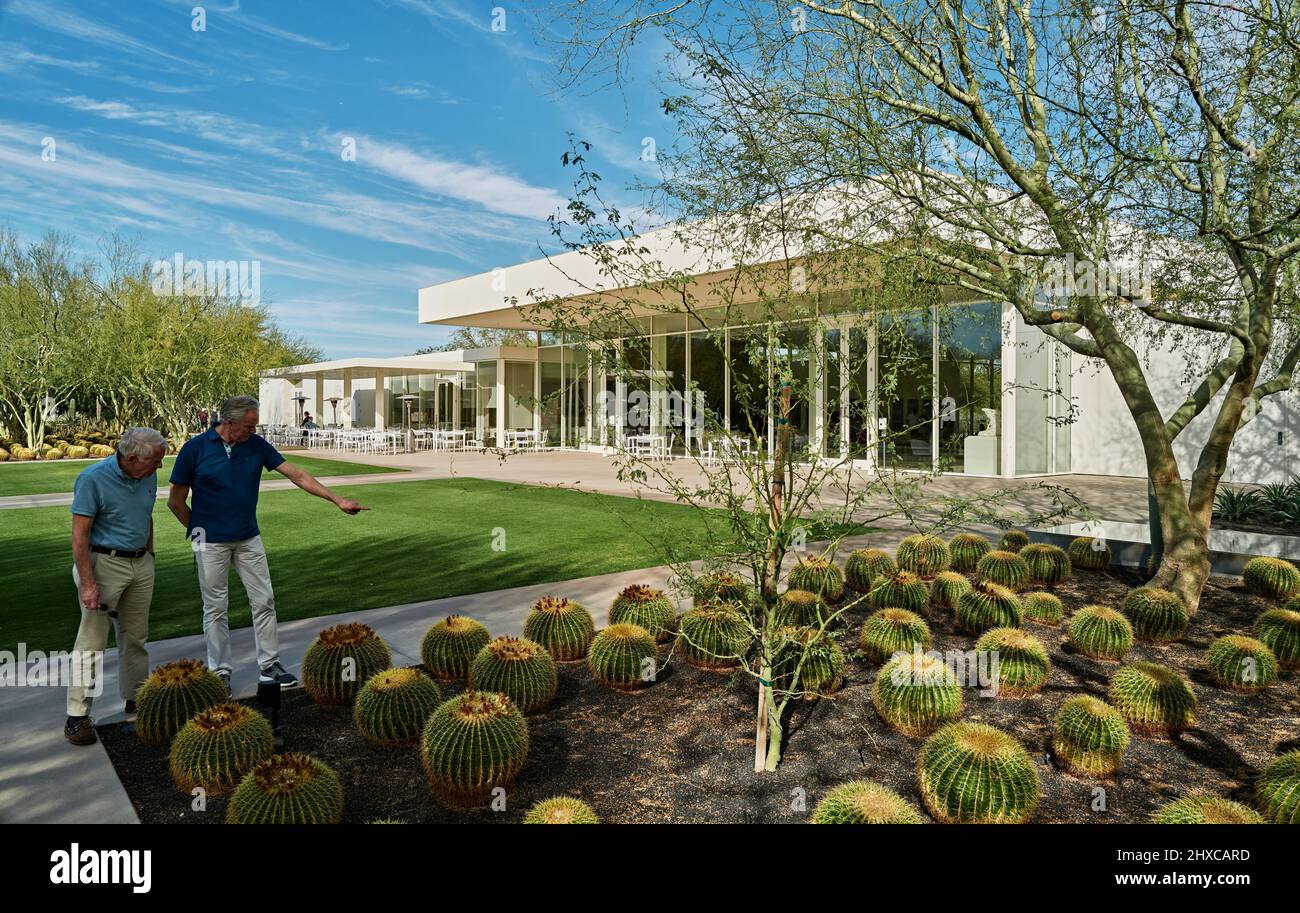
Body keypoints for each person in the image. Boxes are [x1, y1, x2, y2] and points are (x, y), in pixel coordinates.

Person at [167, 395, 369, 696]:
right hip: (210, 542)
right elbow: (176, 502)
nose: (253, 431)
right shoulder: (195, 449)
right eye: (249, 426)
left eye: (255, 425)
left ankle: (270, 665)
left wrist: (337, 500)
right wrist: (200, 532)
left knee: (264, 601)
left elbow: (296, 475)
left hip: (248, 537)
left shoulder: (256, 445)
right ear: (229, 422)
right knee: (215, 608)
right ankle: (219, 671)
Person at [64, 428, 167, 746]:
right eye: (156, 462)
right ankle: (77, 716)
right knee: (92, 641)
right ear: (132, 458)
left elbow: (146, 515)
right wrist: (88, 584)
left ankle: (137, 698)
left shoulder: (146, 475)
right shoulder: (92, 479)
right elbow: (79, 537)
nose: (159, 468)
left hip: (139, 563)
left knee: (136, 636)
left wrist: (148, 552)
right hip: (103, 565)